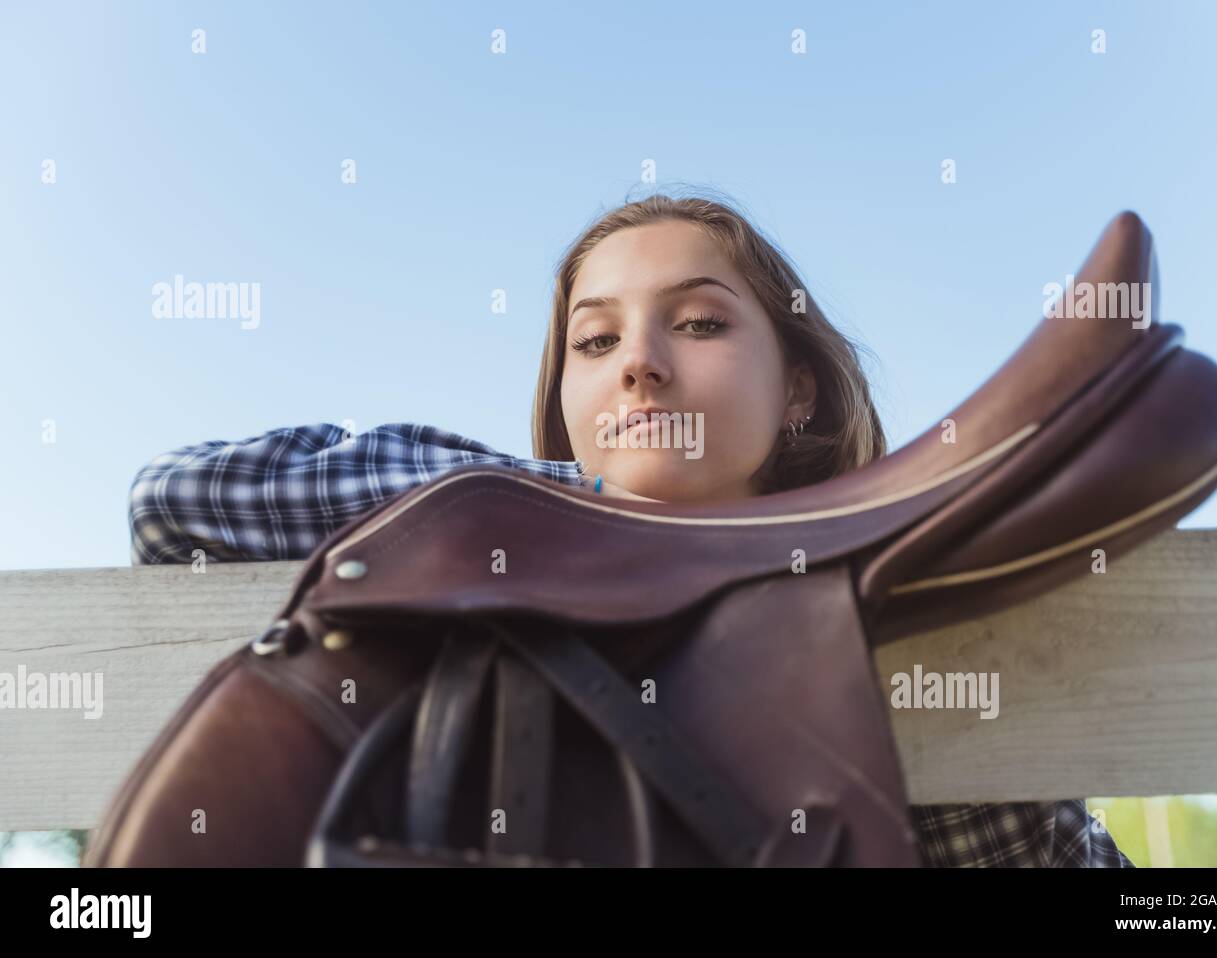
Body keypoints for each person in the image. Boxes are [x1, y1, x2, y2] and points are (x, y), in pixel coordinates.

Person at [127, 191, 1133, 867]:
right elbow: (173, 506)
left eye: (698, 322)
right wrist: (533, 505)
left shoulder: (891, 600)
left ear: (798, 388)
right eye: (596, 339)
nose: (638, 363)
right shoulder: (483, 530)